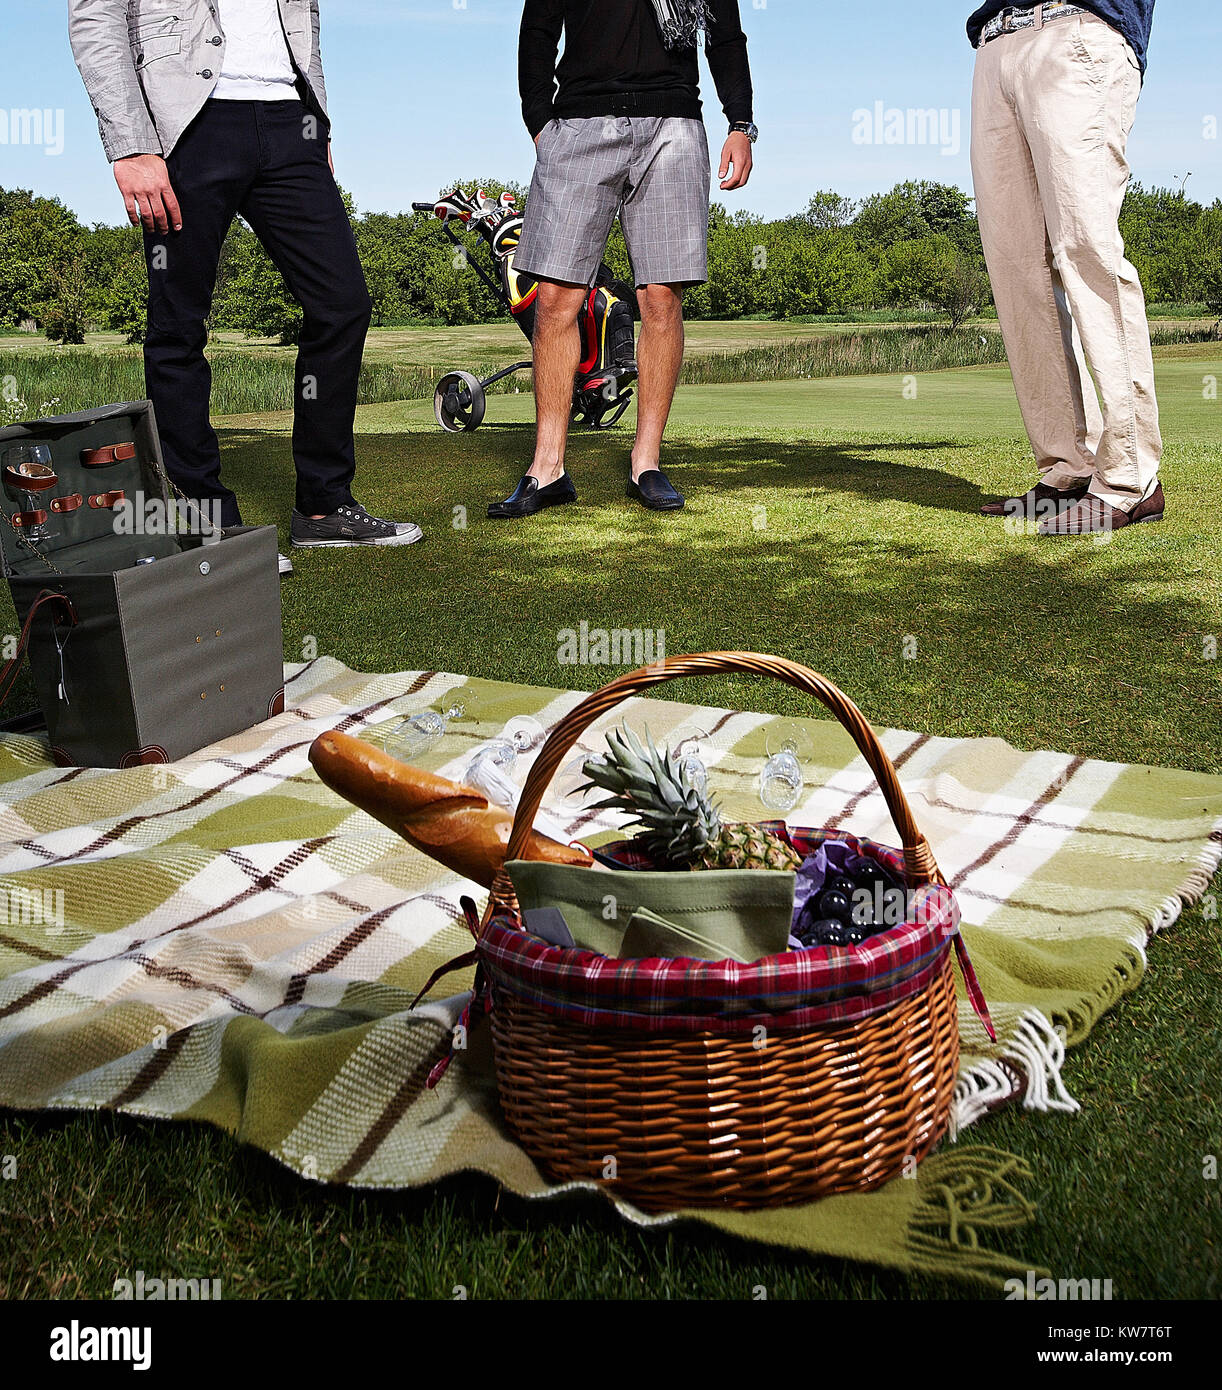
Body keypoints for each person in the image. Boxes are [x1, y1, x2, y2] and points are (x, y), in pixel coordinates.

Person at [68, 0, 422, 575]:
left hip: (289, 120)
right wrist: (131, 143)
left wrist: (316, 120)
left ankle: (324, 506)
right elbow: (95, 19)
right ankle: (201, 517)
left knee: (342, 305)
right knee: (178, 324)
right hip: (187, 121)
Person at [491, 0, 757, 519]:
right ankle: (547, 468)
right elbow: (538, 29)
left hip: (674, 126)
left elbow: (726, 35)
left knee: (660, 300)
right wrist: (539, 120)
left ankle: (647, 463)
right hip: (579, 123)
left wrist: (741, 123)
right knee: (554, 300)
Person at [970, 1, 1163, 536]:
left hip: (1075, 30)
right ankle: (1068, 469)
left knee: (1088, 251)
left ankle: (1131, 478)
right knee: (1017, 267)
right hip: (994, 45)